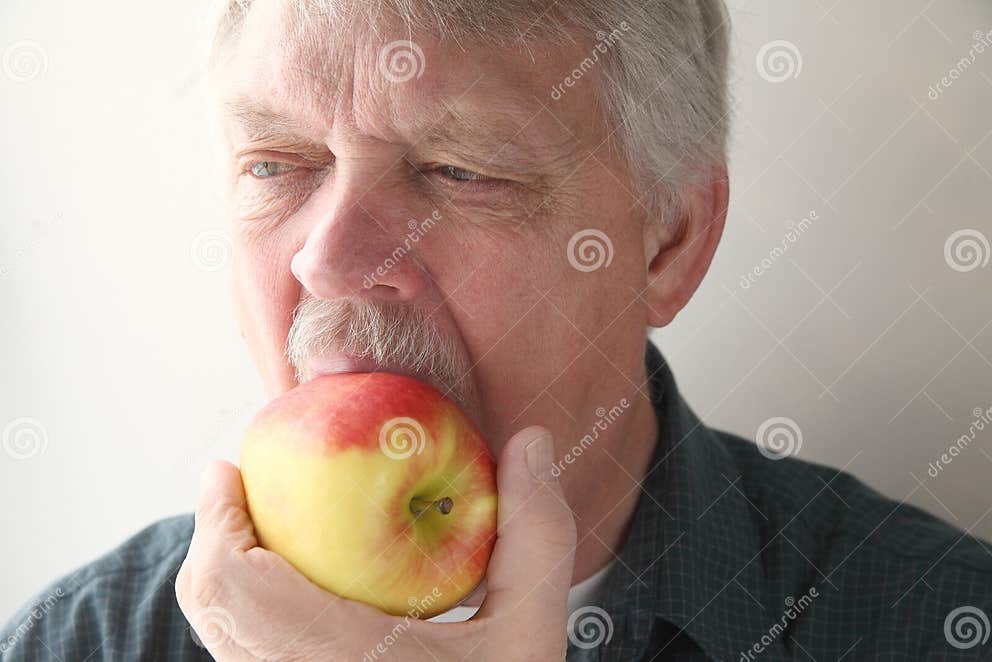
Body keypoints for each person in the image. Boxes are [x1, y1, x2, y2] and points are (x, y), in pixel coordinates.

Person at [4, 1, 990, 660]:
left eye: (459, 169)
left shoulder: (929, 621)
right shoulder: (82, 638)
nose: (330, 258)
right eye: (276, 161)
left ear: (668, 241)